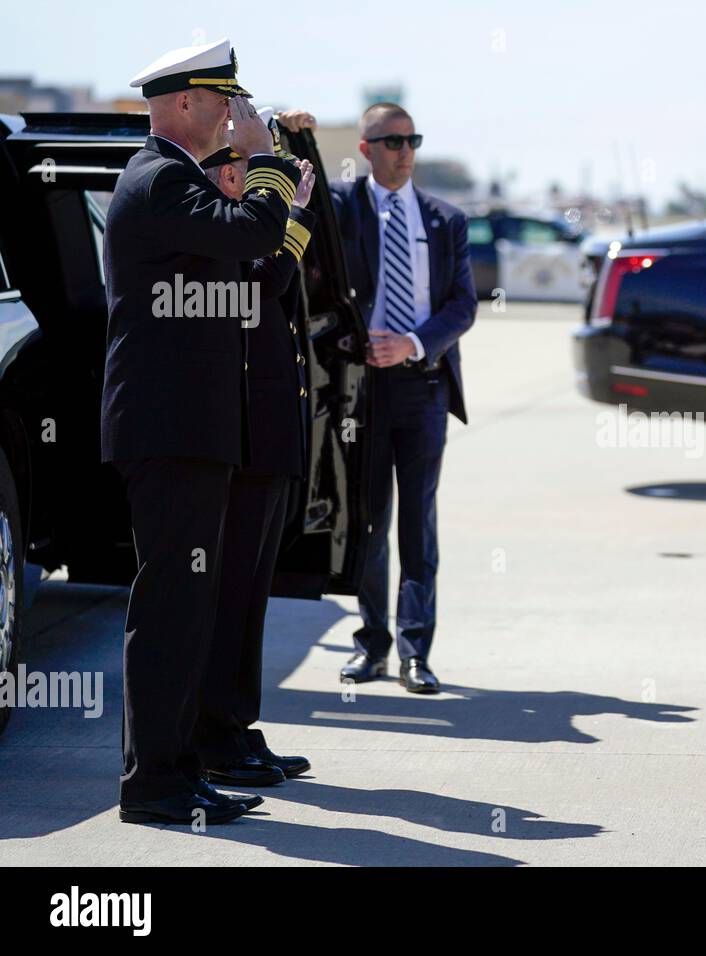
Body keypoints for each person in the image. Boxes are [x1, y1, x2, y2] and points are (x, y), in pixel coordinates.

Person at [103, 38, 300, 825]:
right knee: (170, 613)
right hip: (172, 431)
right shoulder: (160, 182)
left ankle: (177, 770)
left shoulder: (176, 181)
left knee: (188, 611)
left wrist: (261, 178)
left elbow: (251, 278)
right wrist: (267, 163)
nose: (232, 116)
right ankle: (152, 783)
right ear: (185, 102)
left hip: (189, 430)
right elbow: (254, 231)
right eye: (224, 101)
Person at [278, 102, 475, 694]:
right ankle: (372, 646)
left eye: (412, 140)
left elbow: (462, 305)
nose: (404, 151)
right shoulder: (343, 206)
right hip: (360, 392)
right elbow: (300, 195)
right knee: (366, 521)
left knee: (419, 521)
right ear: (365, 149)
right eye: (391, 141)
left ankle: (418, 651)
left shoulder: (446, 220)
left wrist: (413, 344)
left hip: (424, 386)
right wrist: (292, 139)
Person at [191, 122, 316, 788]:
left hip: (267, 434)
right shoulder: (223, 225)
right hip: (241, 436)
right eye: (245, 165)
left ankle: (236, 729)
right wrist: (290, 220)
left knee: (250, 598)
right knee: (231, 593)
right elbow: (258, 290)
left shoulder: (248, 223)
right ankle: (217, 737)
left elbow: (289, 293)